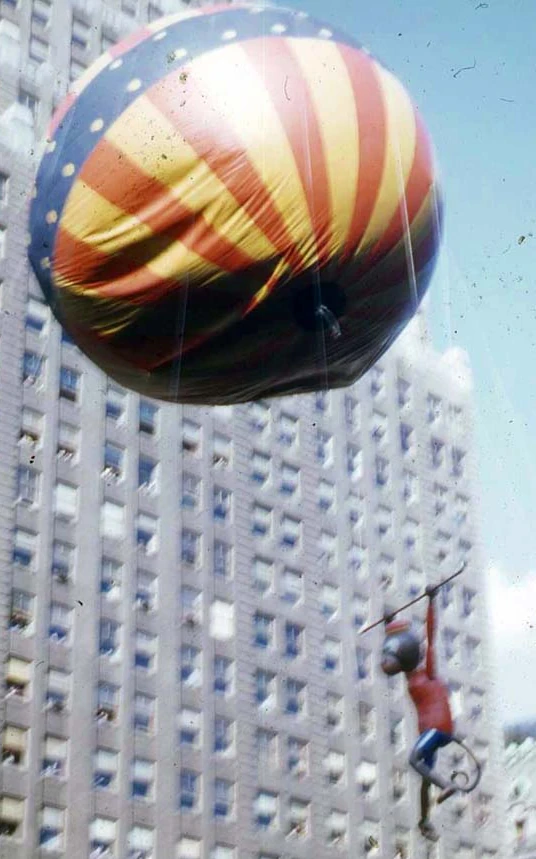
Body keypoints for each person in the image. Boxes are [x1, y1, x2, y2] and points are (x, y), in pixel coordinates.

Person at [381, 586, 456, 843]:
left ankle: (447, 785)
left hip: (438, 727)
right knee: (425, 777)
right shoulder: (410, 675)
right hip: (429, 732)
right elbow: (397, 650)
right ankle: (424, 820)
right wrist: (389, 624)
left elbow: (430, 635)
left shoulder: (429, 672)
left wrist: (431, 602)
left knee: (414, 759)